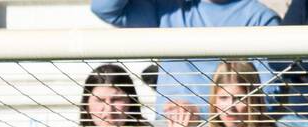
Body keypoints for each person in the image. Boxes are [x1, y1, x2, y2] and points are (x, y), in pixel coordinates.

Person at [89, 0, 280, 117]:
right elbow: (104, 8)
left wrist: (209, 115)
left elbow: (270, 93)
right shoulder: (167, 7)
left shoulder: (260, 17)